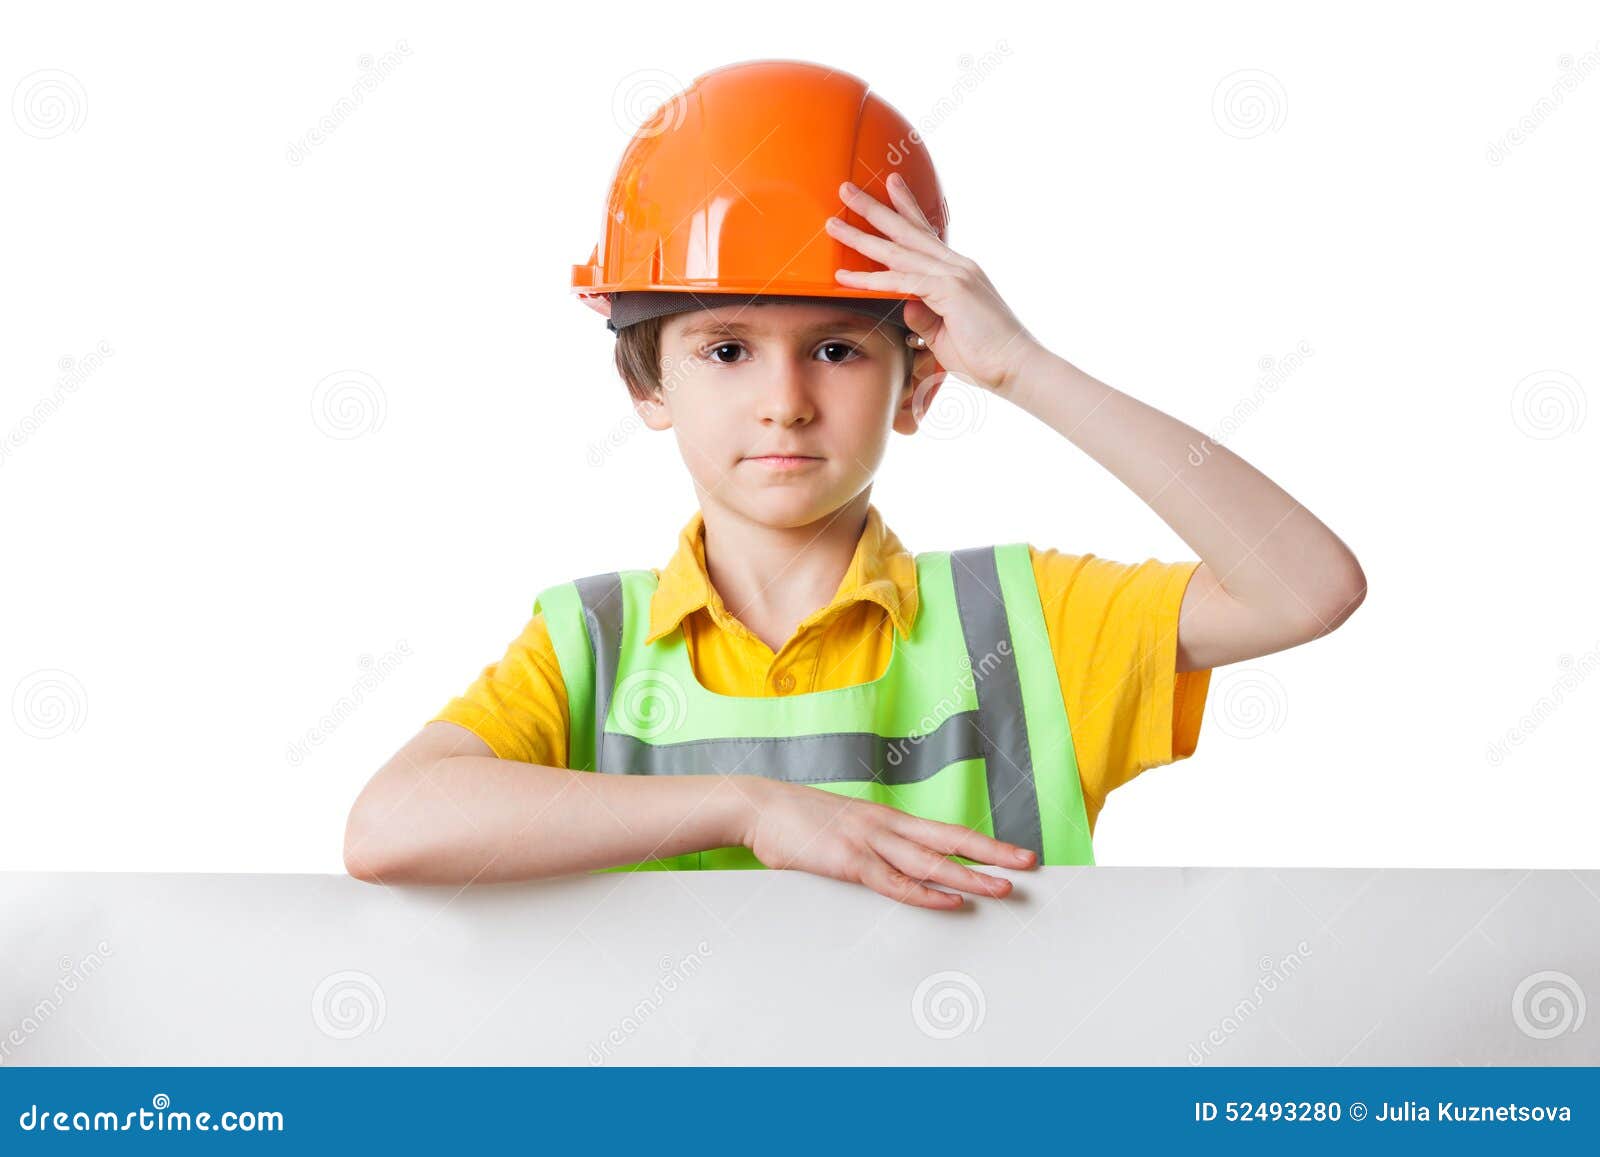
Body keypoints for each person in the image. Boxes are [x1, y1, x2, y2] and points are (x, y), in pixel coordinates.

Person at [344, 60, 1366, 909]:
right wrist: (746, 805)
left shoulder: (1021, 625)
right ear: (644, 378)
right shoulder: (590, 644)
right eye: (728, 349)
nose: (784, 401)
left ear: (916, 380)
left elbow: (1305, 588)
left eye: (836, 348)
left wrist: (1022, 366)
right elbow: (389, 825)